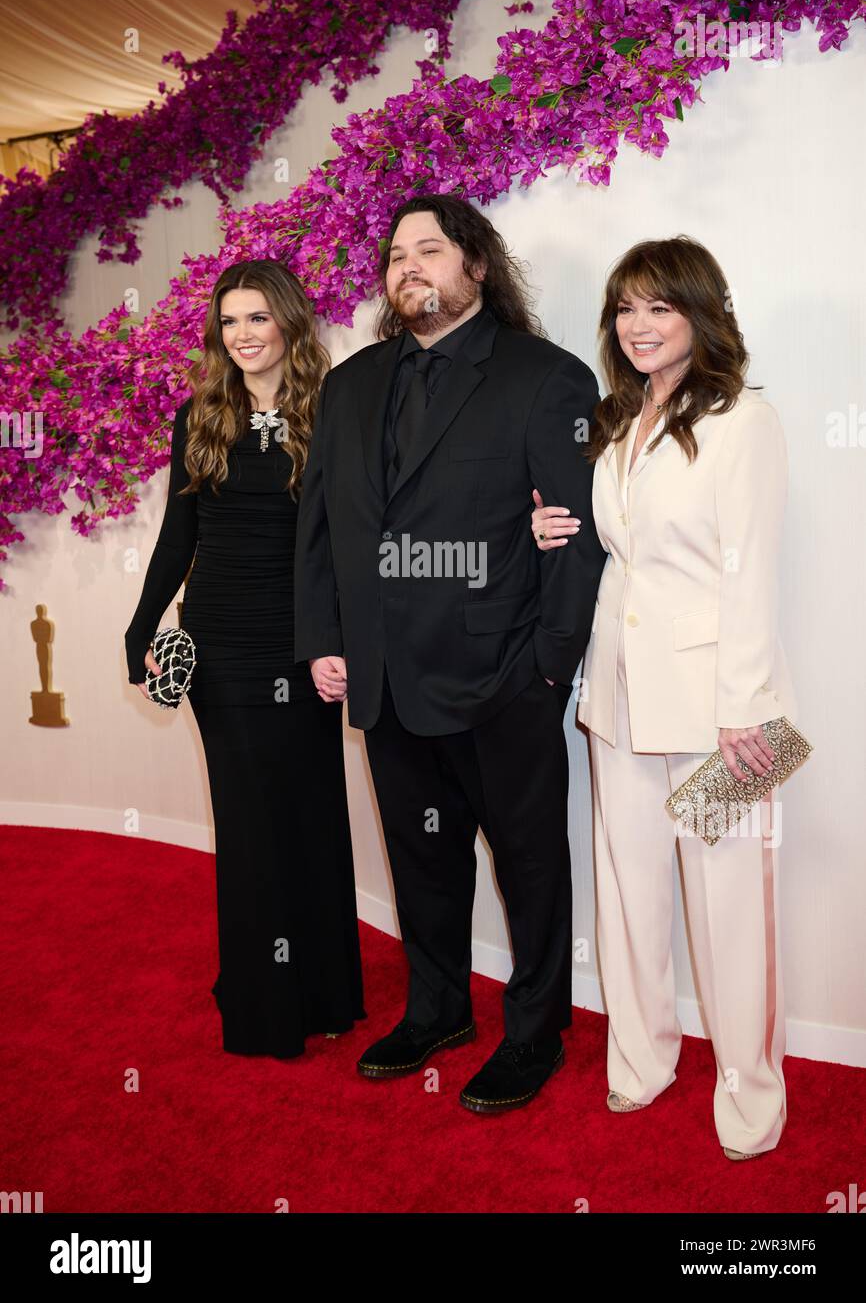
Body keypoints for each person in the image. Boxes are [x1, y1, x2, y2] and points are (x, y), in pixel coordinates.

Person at [294, 194, 607, 1112]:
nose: (409, 268)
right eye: (395, 256)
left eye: (429, 250)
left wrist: (551, 665)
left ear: (476, 263)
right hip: (384, 678)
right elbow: (320, 530)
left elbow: (578, 533)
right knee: (421, 860)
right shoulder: (348, 385)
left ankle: (537, 1032)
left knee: (530, 863)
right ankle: (436, 1009)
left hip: (504, 678)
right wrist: (322, 640)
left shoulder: (545, 378)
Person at [531, 235, 797, 1159]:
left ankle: (751, 1094)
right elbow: (619, 548)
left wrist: (746, 714)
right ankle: (640, 1059)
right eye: (626, 308)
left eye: (660, 307)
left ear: (701, 312)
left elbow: (752, 577)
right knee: (629, 889)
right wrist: (544, 524)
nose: (638, 325)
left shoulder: (744, 420)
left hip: (728, 708)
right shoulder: (616, 420)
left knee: (733, 908)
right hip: (620, 696)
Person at [124, 259, 366, 1058]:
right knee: (250, 823)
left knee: (309, 808)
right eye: (229, 322)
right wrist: (143, 622)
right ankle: (265, 1002)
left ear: (289, 323)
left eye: (257, 318)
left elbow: (348, 540)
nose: (242, 336)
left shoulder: (331, 411)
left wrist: (344, 636)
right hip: (219, 647)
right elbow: (178, 534)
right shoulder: (200, 415)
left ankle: (325, 988)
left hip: (301, 646)